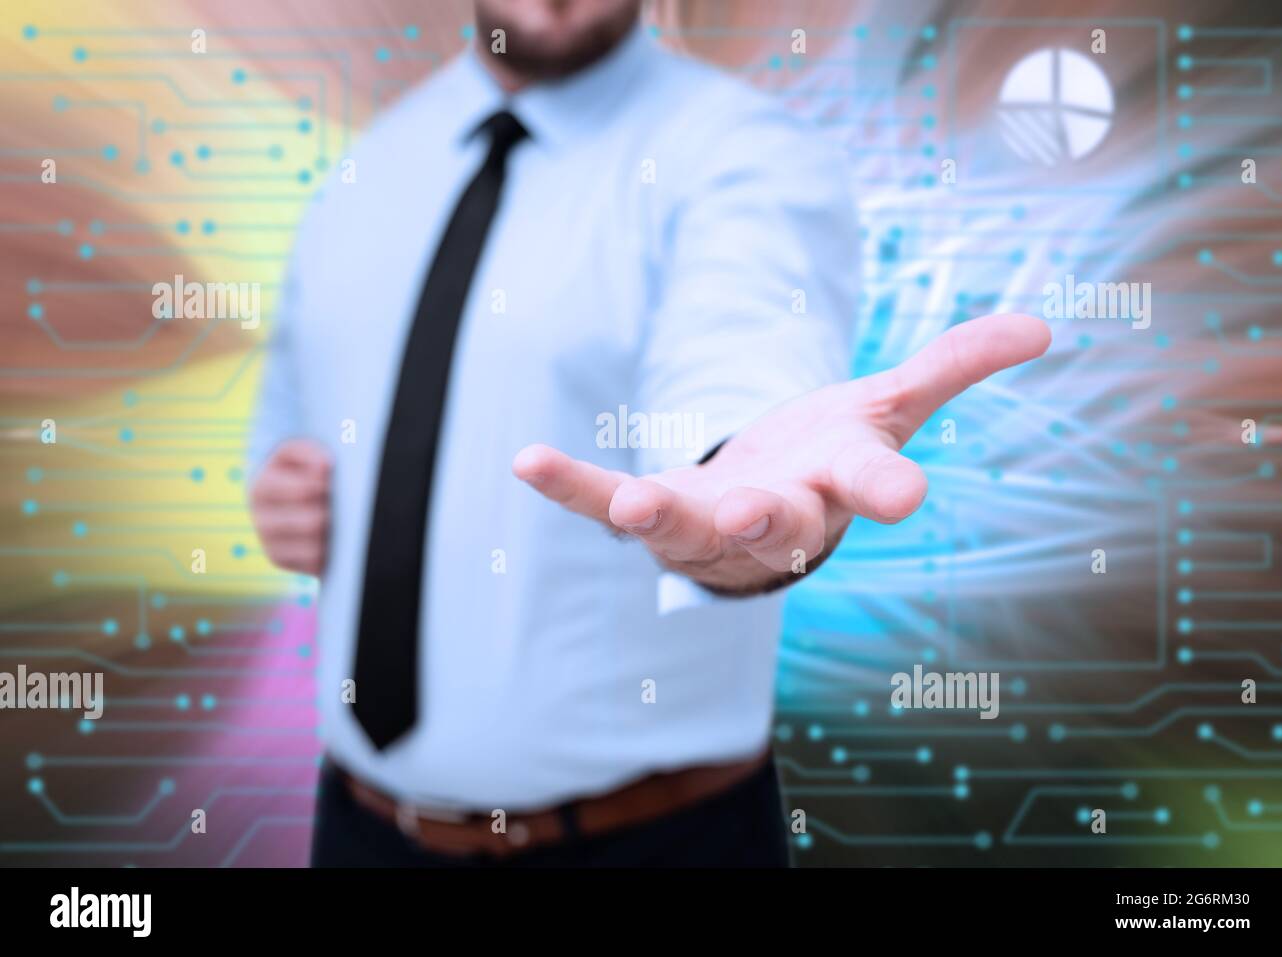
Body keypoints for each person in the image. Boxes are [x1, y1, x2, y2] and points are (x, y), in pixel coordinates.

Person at [248, 0, 1049, 867]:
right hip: (358, 831)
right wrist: (284, 495)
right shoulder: (369, 167)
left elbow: (740, 349)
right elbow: (297, 418)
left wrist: (736, 488)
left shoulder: (745, 156)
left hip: (652, 844)